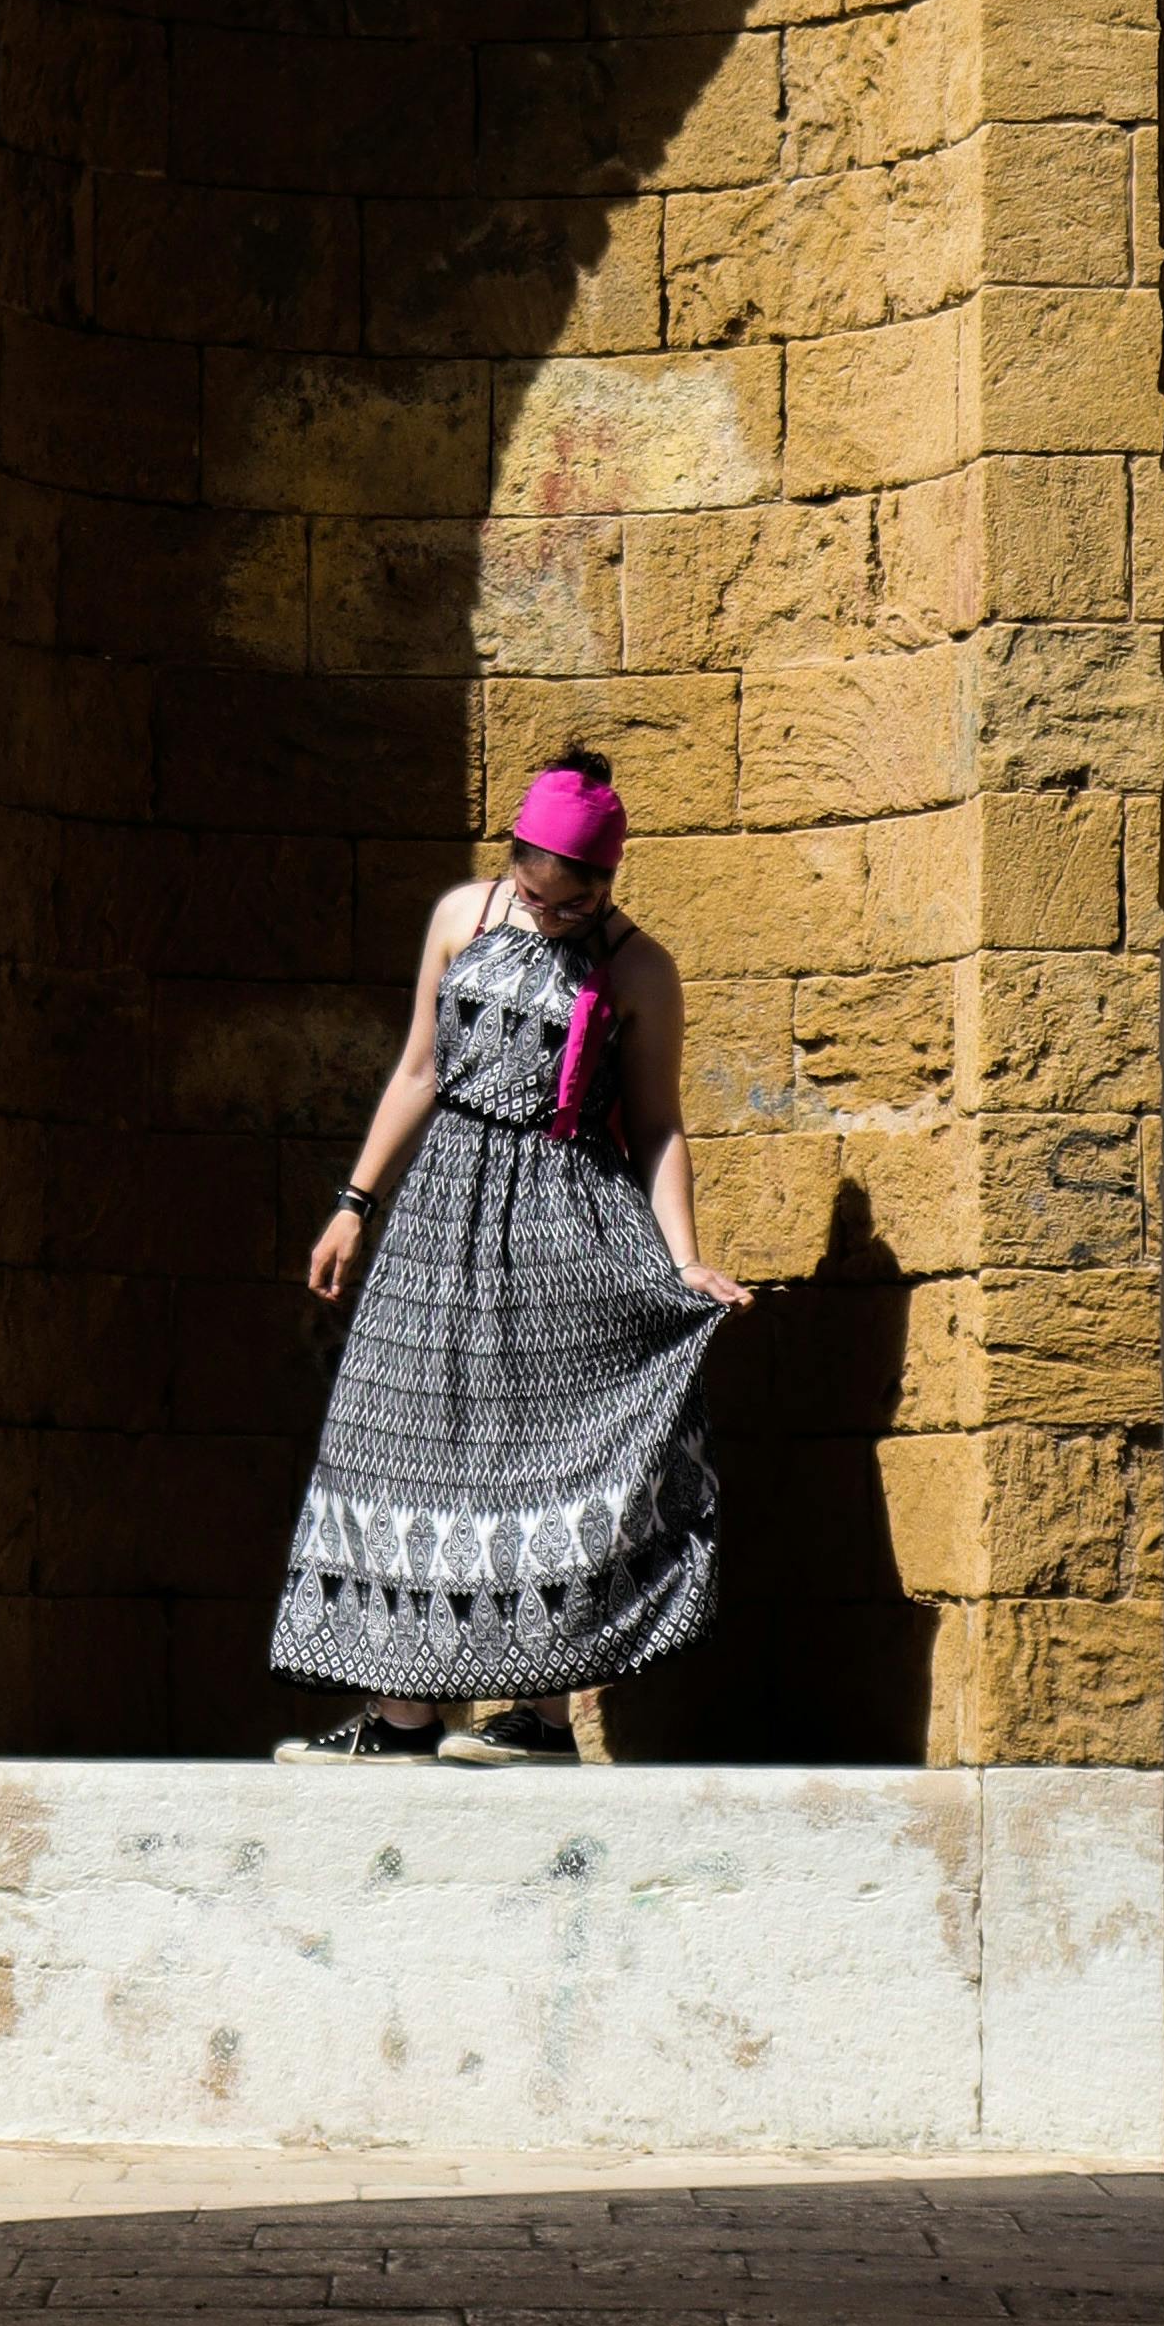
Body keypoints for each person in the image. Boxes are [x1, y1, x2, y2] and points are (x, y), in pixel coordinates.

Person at [266, 744, 752, 1767]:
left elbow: (657, 1126)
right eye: (538, 892)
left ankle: (540, 1718)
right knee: (398, 1431)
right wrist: (355, 1202)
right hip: (442, 1209)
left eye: (575, 903)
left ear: (607, 884)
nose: (551, 913)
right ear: (516, 859)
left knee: (540, 1449)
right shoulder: (463, 916)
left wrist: (685, 1262)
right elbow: (418, 1070)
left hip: (566, 1223)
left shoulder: (637, 967)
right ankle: (402, 1722)